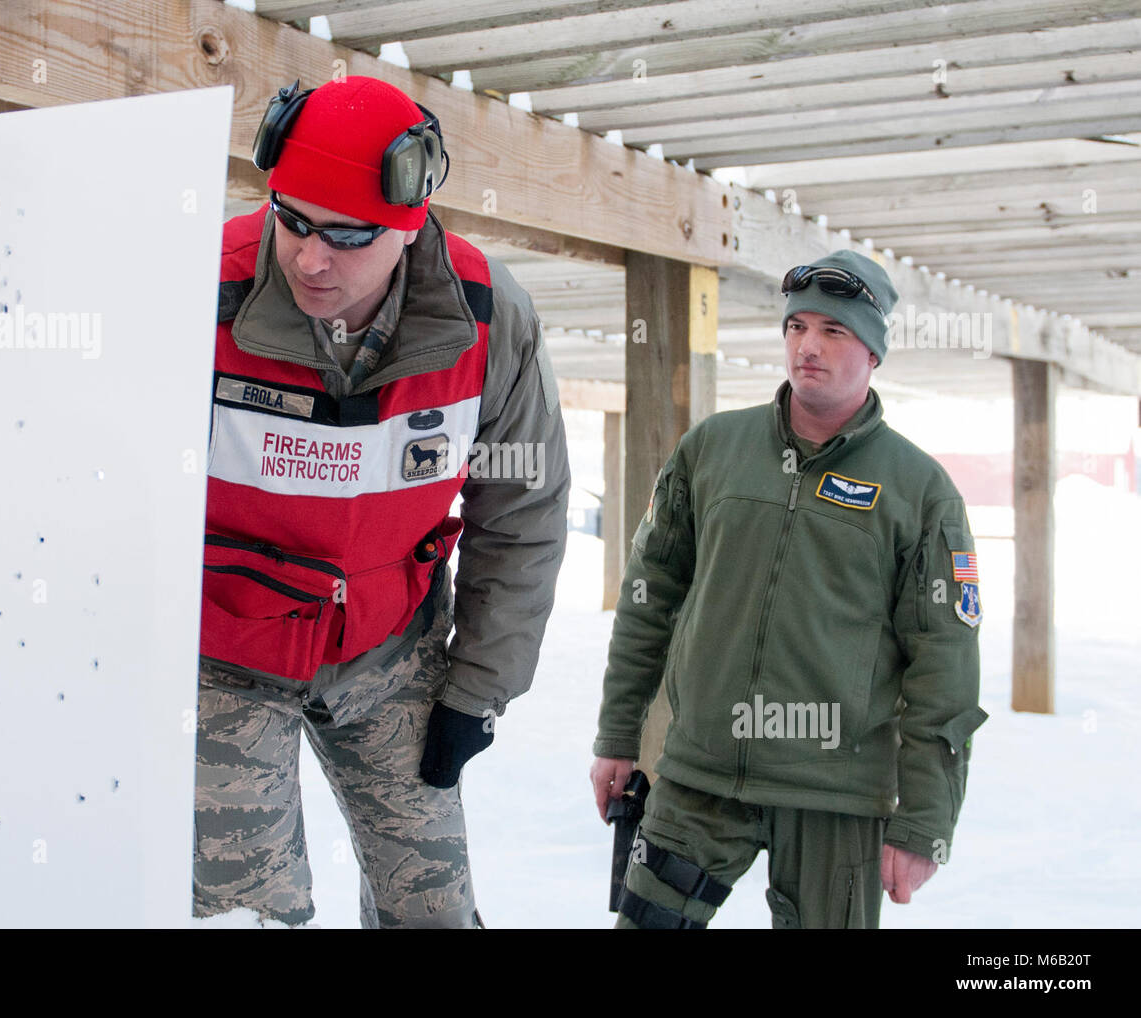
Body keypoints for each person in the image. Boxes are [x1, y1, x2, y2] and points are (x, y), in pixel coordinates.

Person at [194, 76, 569, 928]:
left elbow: (524, 513)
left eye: (348, 235)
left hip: (386, 649)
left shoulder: (485, 319)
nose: (309, 258)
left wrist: (479, 688)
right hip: (225, 651)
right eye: (291, 219)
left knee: (432, 909)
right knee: (243, 913)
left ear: (408, 226)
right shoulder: (201, 295)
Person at [590, 250, 987, 929]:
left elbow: (944, 665)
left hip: (836, 794)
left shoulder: (919, 491)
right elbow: (648, 599)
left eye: (833, 331)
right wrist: (617, 733)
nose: (807, 346)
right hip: (700, 777)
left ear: (873, 351)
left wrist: (924, 820)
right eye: (796, 326)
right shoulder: (712, 449)